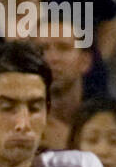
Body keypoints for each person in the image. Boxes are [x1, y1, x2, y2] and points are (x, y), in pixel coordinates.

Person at [35, 17, 92, 149]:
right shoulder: (16, 121)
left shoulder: (108, 117)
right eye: (42, 50)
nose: (51, 58)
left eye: (63, 48)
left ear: (85, 61)